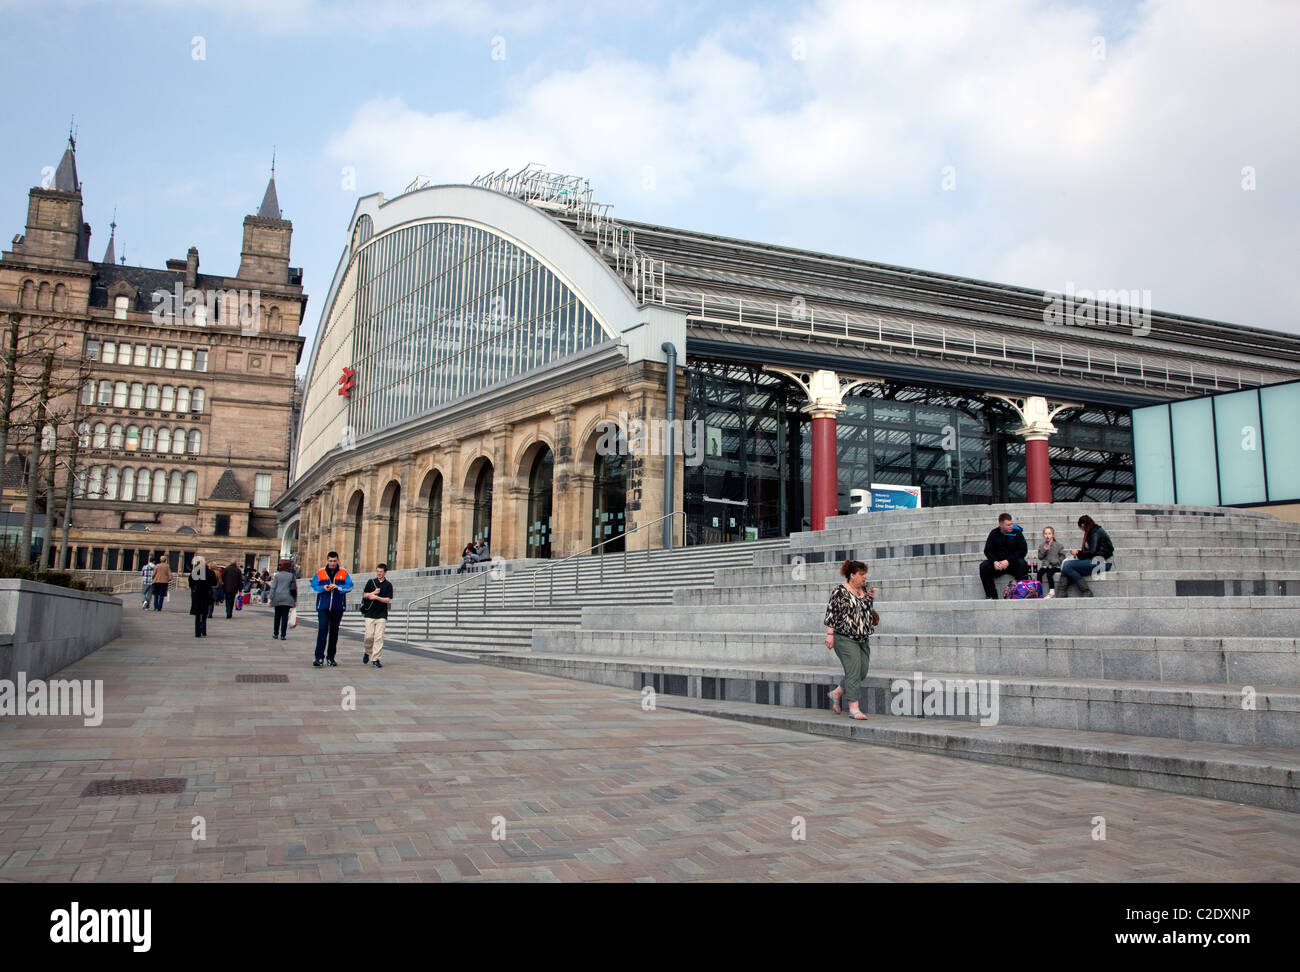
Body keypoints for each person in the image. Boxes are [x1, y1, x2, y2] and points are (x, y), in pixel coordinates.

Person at [823, 560, 876, 721]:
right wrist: (830, 634)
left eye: (865, 574)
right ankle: (854, 707)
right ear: (852, 575)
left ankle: (837, 693)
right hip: (844, 637)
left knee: (862, 671)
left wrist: (869, 599)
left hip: (863, 638)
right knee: (853, 670)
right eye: (861, 574)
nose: (864, 577)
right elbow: (831, 613)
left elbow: (864, 610)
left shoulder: (864, 590)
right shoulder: (840, 591)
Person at [310, 551, 353, 667]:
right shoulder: (320, 572)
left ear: (337, 560)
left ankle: (331, 657)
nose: (332, 563)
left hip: (337, 607)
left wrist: (338, 587)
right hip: (323, 606)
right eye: (330, 561)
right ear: (327, 560)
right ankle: (319, 657)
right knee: (322, 630)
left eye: (334, 561)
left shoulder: (344, 572)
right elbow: (313, 586)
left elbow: (350, 586)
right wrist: (323, 587)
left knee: (334, 632)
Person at [1060, 514, 1115, 598]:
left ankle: (1086, 591)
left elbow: (1092, 552)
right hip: (1098, 560)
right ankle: (1062, 593)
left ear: (1083, 525)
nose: (1082, 530)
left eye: (1081, 528)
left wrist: (1078, 553)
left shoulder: (1094, 533)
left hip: (1103, 563)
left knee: (1067, 565)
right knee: (1066, 565)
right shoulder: (1095, 530)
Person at [978, 512, 1028, 599]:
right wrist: (994, 562)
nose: (1011, 526)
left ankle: (1021, 593)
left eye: (1011, 524)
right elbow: (987, 550)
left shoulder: (1017, 533)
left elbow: (1023, 550)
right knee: (984, 566)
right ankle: (991, 595)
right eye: (1008, 525)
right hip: (998, 565)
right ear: (1001, 524)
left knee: (1022, 564)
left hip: (1012, 563)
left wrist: (1008, 560)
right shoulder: (994, 533)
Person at [360, 563, 394, 668]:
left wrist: (377, 598)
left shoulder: (388, 585)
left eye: (381, 572)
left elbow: (388, 599)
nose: (379, 573)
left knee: (379, 637)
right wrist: (373, 593)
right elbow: (364, 595)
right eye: (377, 571)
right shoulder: (371, 582)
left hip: (382, 614)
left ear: (385, 572)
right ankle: (367, 651)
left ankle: (376, 659)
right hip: (370, 613)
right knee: (369, 636)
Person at [188, 556, 218, 638]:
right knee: (204, 613)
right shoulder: (209, 572)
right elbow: (214, 583)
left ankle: (197, 632)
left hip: (197, 594)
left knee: (198, 614)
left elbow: (191, 584)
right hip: (206, 594)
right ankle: (203, 630)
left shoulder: (195, 571)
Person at [269, 558, 298, 641]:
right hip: (287, 598)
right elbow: (293, 589)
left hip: (277, 598)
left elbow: (273, 587)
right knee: (285, 617)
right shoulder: (291, 576)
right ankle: (283, 635)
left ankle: (275, 633)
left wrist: (270, 597)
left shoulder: (277, 575)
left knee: (277, 616)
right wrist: (295, 600)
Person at [1036, 526, 1065, 598]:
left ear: (1052, 535)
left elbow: (1062, 556)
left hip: (1055, 566)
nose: (1047, 535)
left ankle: (1052, 591)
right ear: (1043, 535)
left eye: (1049, 533)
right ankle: (1039, 591)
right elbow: (1040, 557)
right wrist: (1044, 550)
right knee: (1039, 573)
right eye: (1045, 534)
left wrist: (1058, 561)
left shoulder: (1058, 545)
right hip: (1046, 565)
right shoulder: (1042, 545)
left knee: (1049, 574)